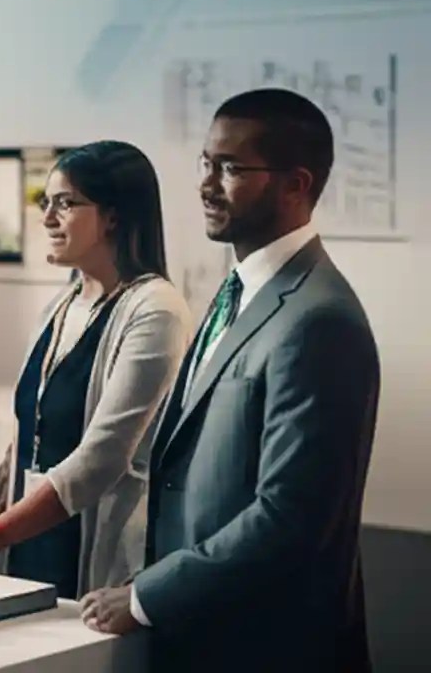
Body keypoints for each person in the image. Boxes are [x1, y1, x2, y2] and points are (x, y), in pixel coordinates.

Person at [80, 89, 380, 673]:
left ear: (297, 185)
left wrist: (148, 596)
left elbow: (291, 516)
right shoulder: (242, 289)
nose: (206, 183)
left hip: (268, 645)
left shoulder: (319, 318)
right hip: (209, 627)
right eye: (206, 162)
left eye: (232, 168)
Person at [0, 141, 190, 599]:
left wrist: (0, 533)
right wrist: (3, 514)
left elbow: (103, 458)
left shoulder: (155, 310)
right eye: (47, 202)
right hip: (29, 534)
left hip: (90, 549)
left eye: (66, 203)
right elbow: (28, 425)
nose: (47, 218)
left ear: (114, 216)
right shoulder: (63, 303)